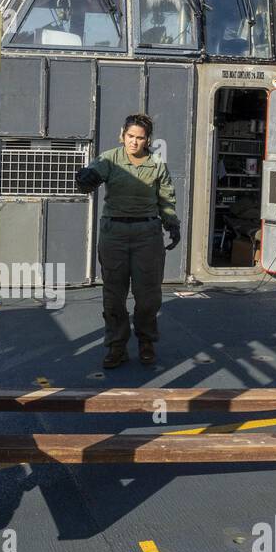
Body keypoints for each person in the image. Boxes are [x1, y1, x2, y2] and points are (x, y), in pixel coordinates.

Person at [76, 113, 180, 368]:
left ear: (147, 140)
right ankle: (116, 346)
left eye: (140, 138)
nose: (134, 142)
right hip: (115, 234)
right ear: (122, 135)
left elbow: (166, 198)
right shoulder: (109, 159)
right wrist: (85, 180)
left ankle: (146, 341)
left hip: (147, 234)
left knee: (148, 297)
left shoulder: (157, 164)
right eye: (130, 136)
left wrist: (172, 225)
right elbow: (89, 180)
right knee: (114, 296)